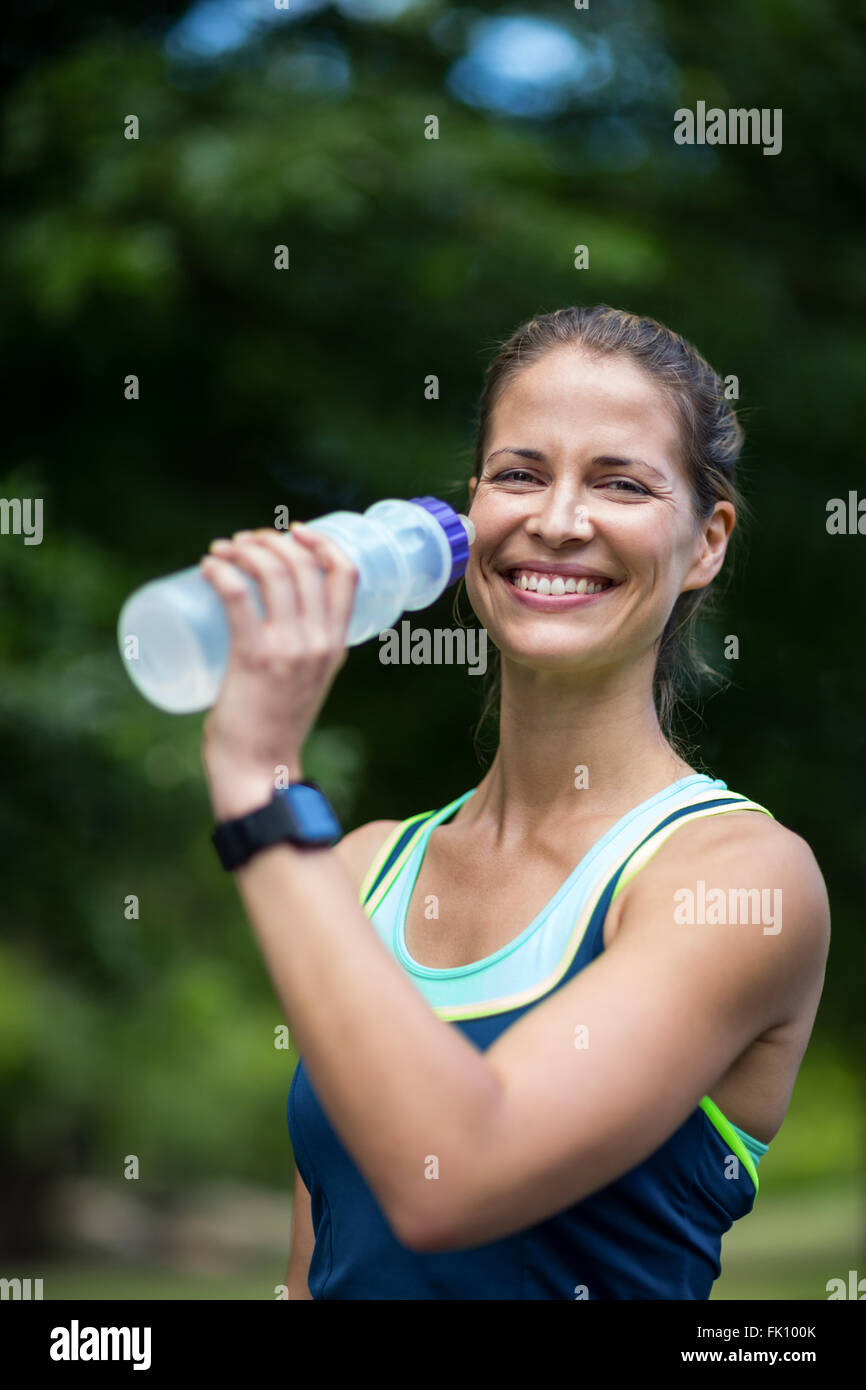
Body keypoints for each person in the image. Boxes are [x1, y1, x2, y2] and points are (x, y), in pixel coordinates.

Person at [198, 305, 830, 1300]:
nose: (557, 519)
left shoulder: (736, 880)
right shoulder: (358, 867)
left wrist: (259, 779)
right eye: (520, 473)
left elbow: (454, 1176)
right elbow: (316, 1273)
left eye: (618, 482)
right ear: (469, 511)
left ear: (705, 542)